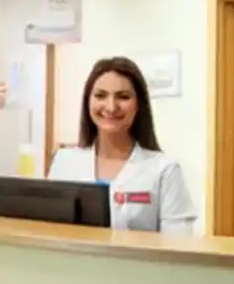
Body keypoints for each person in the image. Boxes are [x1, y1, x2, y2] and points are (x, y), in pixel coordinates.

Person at [47, 56, 197, 234]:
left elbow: (177, 248)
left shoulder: (165, 171)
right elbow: (50, 232)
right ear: (88, 102)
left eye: (123, 97)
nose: (111, 107)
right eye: (100, 96)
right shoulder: (64, 162)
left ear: (138, 105)